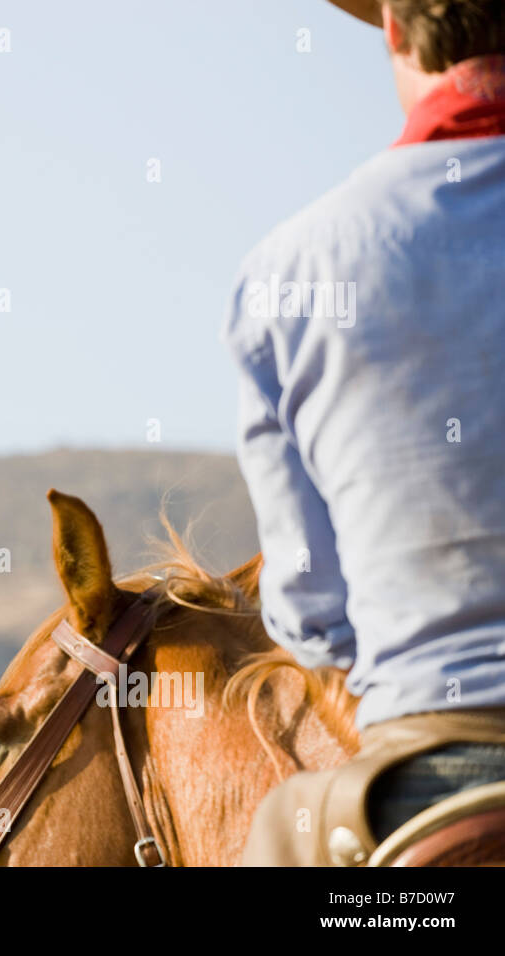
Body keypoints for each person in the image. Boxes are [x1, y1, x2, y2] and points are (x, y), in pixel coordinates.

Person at [221, 1, 505, 865]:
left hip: (429, 754)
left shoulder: (287, 270)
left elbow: (309, 612)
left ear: (392, 29)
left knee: (279, 831)